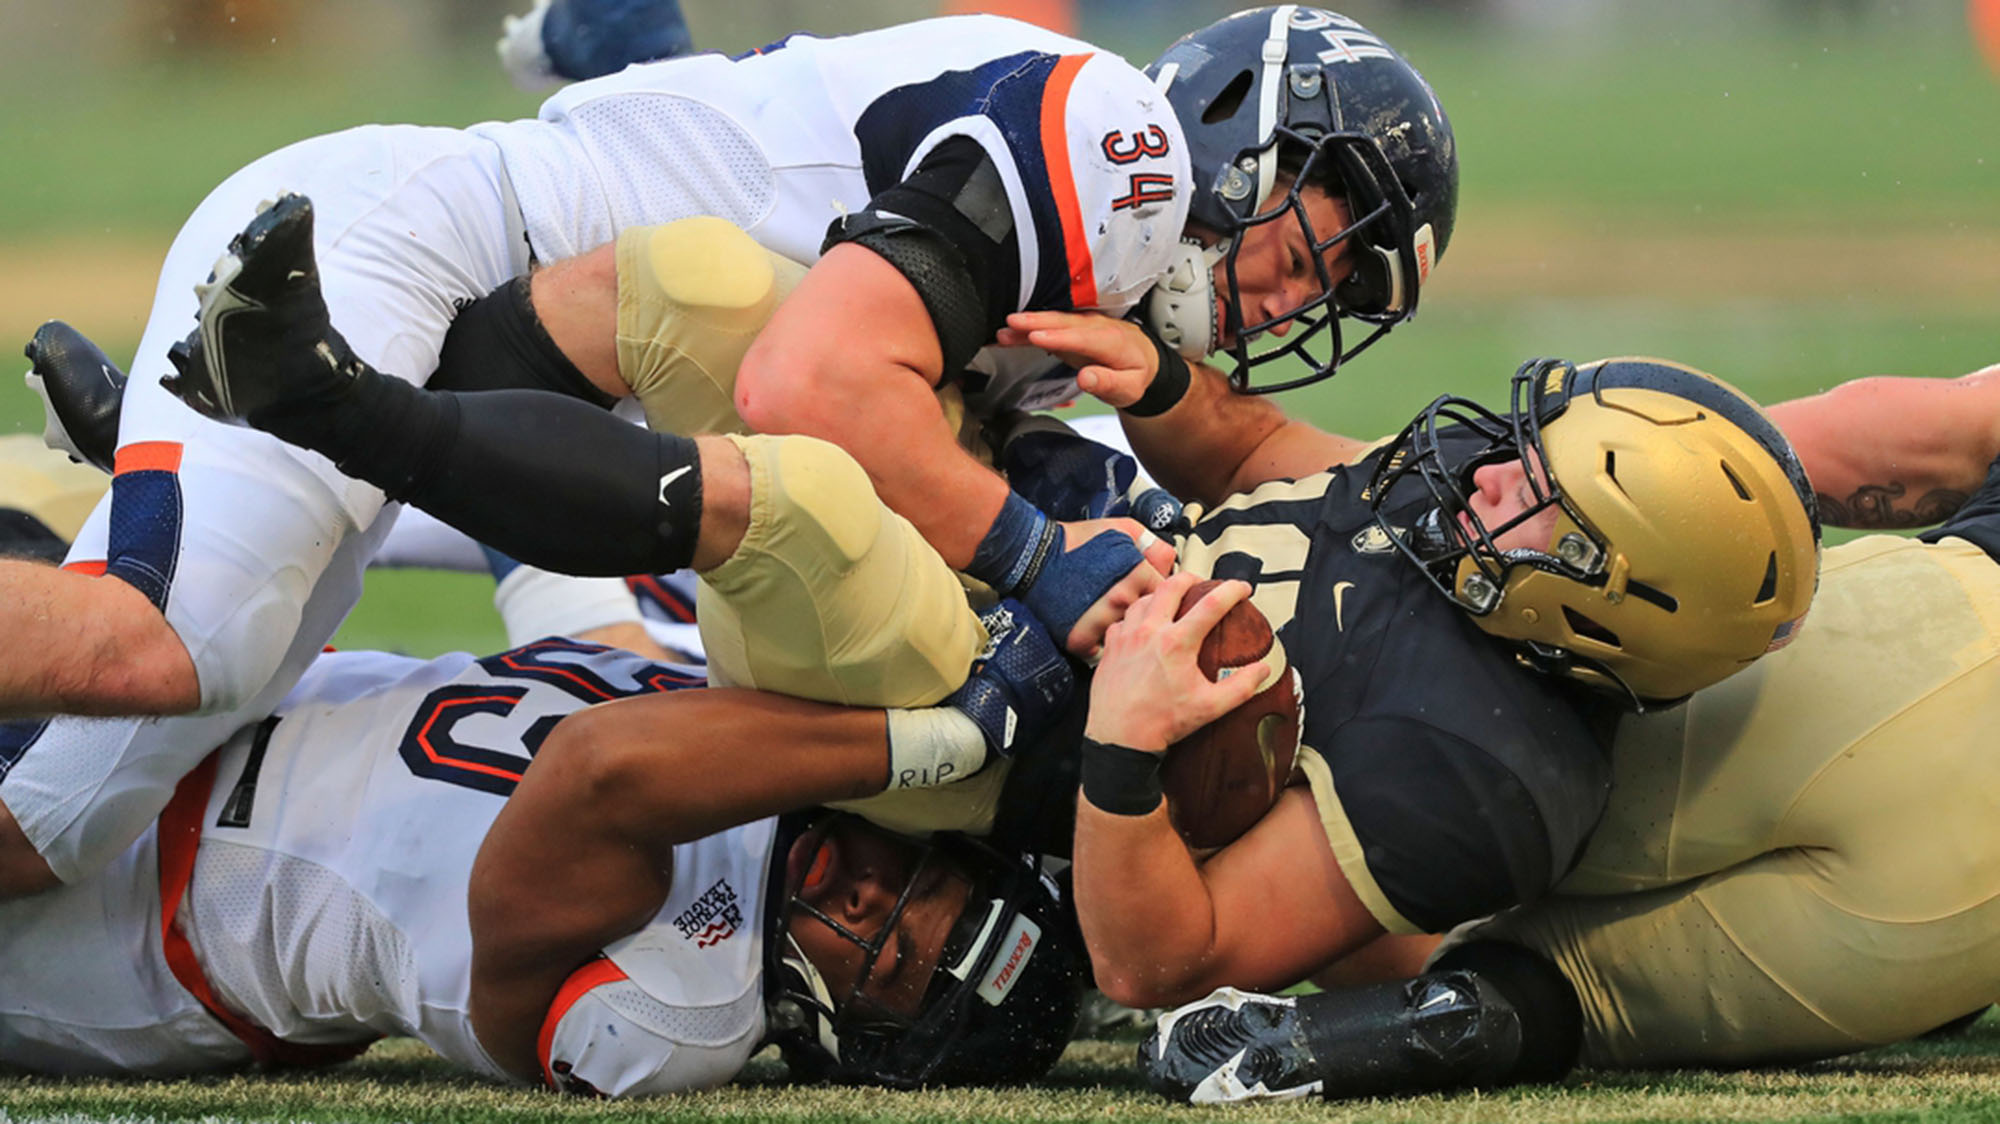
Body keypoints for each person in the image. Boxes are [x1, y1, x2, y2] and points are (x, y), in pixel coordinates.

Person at [0, 4, 1453, 899]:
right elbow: (803, 373)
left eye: (1341, 302)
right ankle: (219, 438)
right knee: (166, 645)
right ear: (1239, 132)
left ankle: (189, 440)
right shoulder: (1115, 146)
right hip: (425, 266)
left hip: (520, 378)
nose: (1299, 301)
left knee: (51, 837)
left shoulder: (1102, 286)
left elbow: (1242, 450)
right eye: (1324, 250)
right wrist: (1033, 557)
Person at [1128, 363, 2000, 1103]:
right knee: (1569, 988)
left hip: (1904, 636)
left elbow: (1776, 467)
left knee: (1487, 793)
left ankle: (1214, 896)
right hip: (1949, 892)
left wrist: (1627, 483)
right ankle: (1430, 1021)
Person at [0, 629, 1087, 1093]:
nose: (872, 891)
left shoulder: (682, 1013)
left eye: (887, 950)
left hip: (132, 905)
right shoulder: (807, 762)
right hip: (221, 693)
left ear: (851, 1035)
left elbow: (593, 767)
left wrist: (947, 730)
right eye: (920, 881)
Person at [1064, 354, 1820, 1022]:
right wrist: (1164, 384)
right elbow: (1254, 454)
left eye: (1535, 490)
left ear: (1599, 601)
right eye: (1526, 447)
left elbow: (1160, 963)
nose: (1487, 470)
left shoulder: (1479, 766)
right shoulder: (1476, 501)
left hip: (1036, 750)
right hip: (1105, 526)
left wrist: (1122, 749)